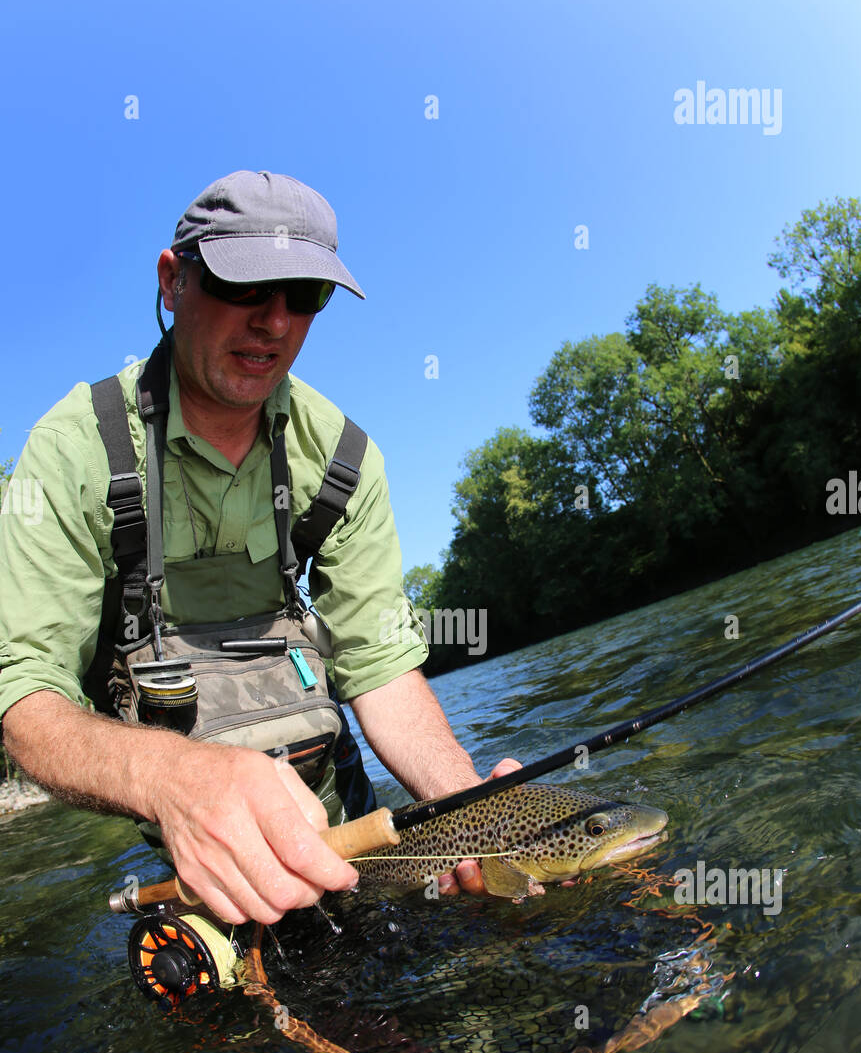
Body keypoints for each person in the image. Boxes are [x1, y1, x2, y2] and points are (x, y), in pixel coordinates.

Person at [0, 170, 517, 924]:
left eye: (304, 296)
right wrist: (176, 781)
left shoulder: (344, 458)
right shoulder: (71, 452)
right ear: (173, 282)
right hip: (180, 821)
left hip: (337, 802)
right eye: (248, 287)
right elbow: (27, 698)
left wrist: (467, 806)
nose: (274, 322)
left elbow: (378, 669)